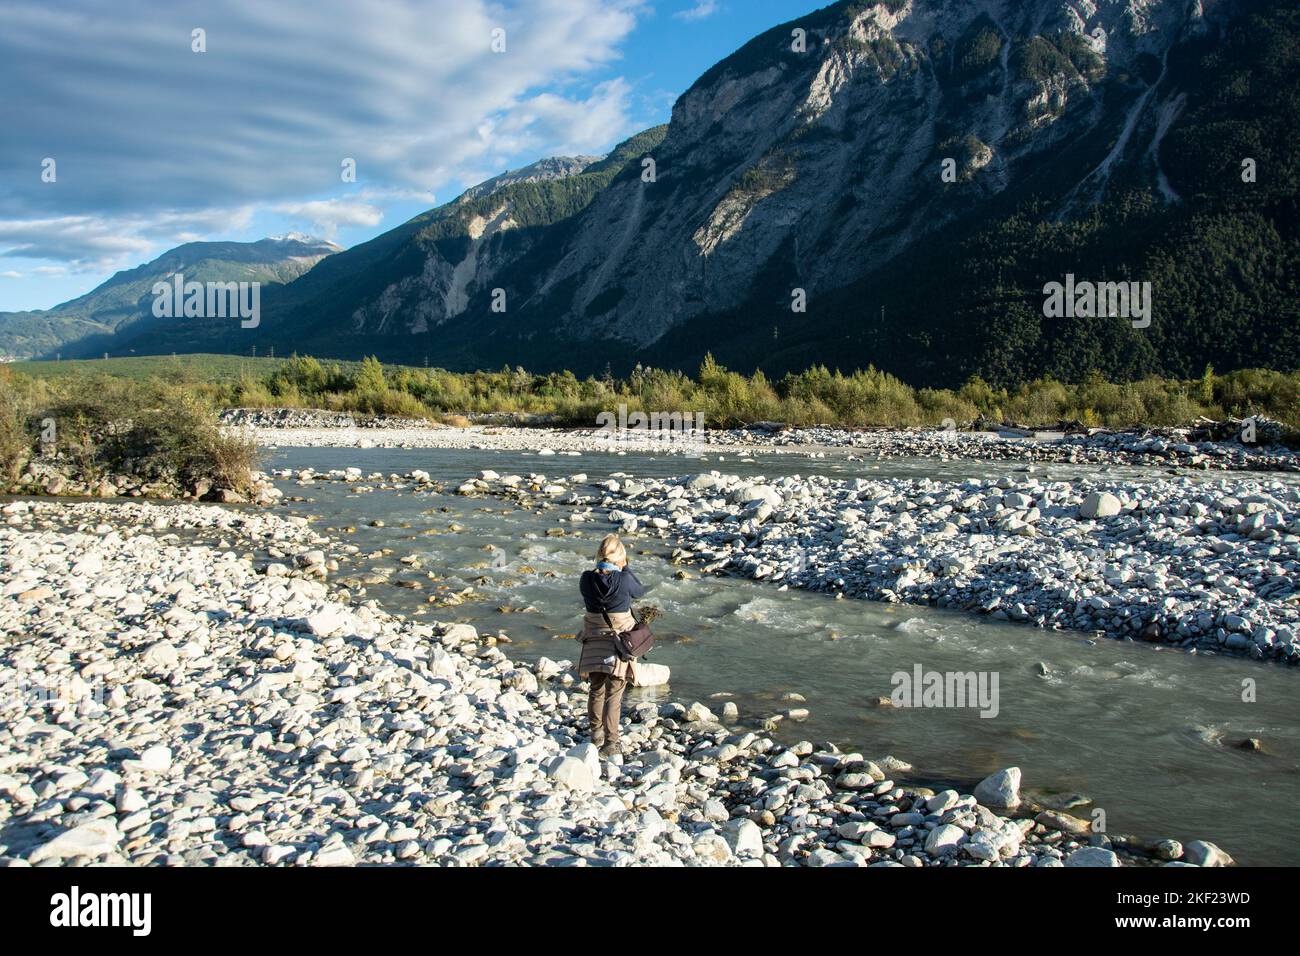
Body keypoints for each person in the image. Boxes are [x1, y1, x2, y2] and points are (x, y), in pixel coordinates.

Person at [578, 533, 645, 757]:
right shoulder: (624, 579)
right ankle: (611, 742)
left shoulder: (586, 579)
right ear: (621, 558)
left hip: (593, 642)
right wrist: (626, 568)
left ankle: (595, 735)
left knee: (596, 689)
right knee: (614, 694)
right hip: (618, 645)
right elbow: (640, 591)